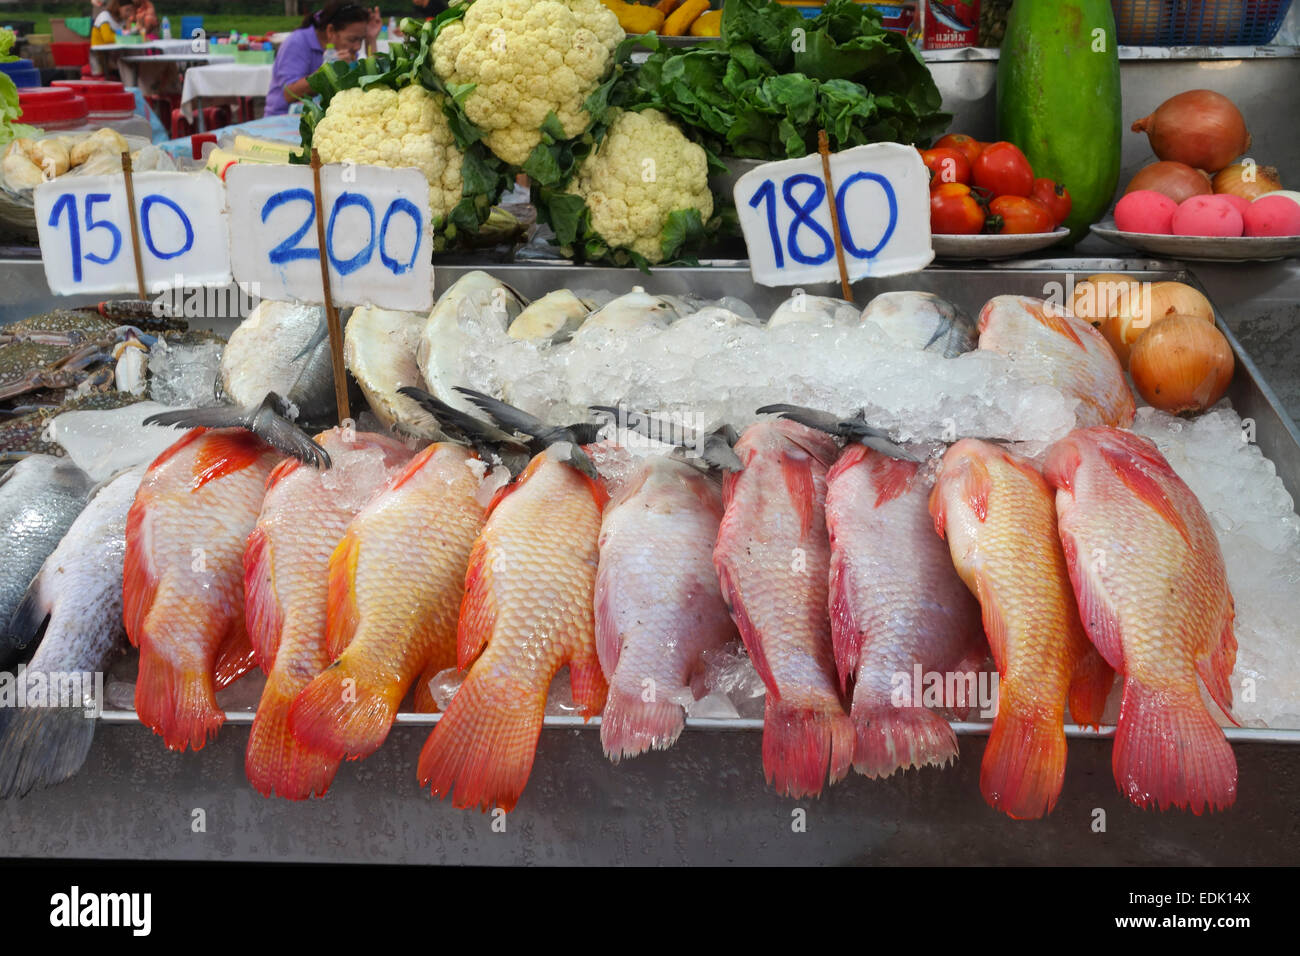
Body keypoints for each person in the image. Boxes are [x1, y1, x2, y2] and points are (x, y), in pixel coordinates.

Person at [265, 2, 382, 117]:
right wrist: (327, 70)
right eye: (352, 39)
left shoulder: (345, 49)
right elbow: (290, 94)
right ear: (330, 31)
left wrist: (371, 39)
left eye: (361, 40)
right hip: (283, 118)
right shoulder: (297, 42)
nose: (357, 47)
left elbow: (372, 82)